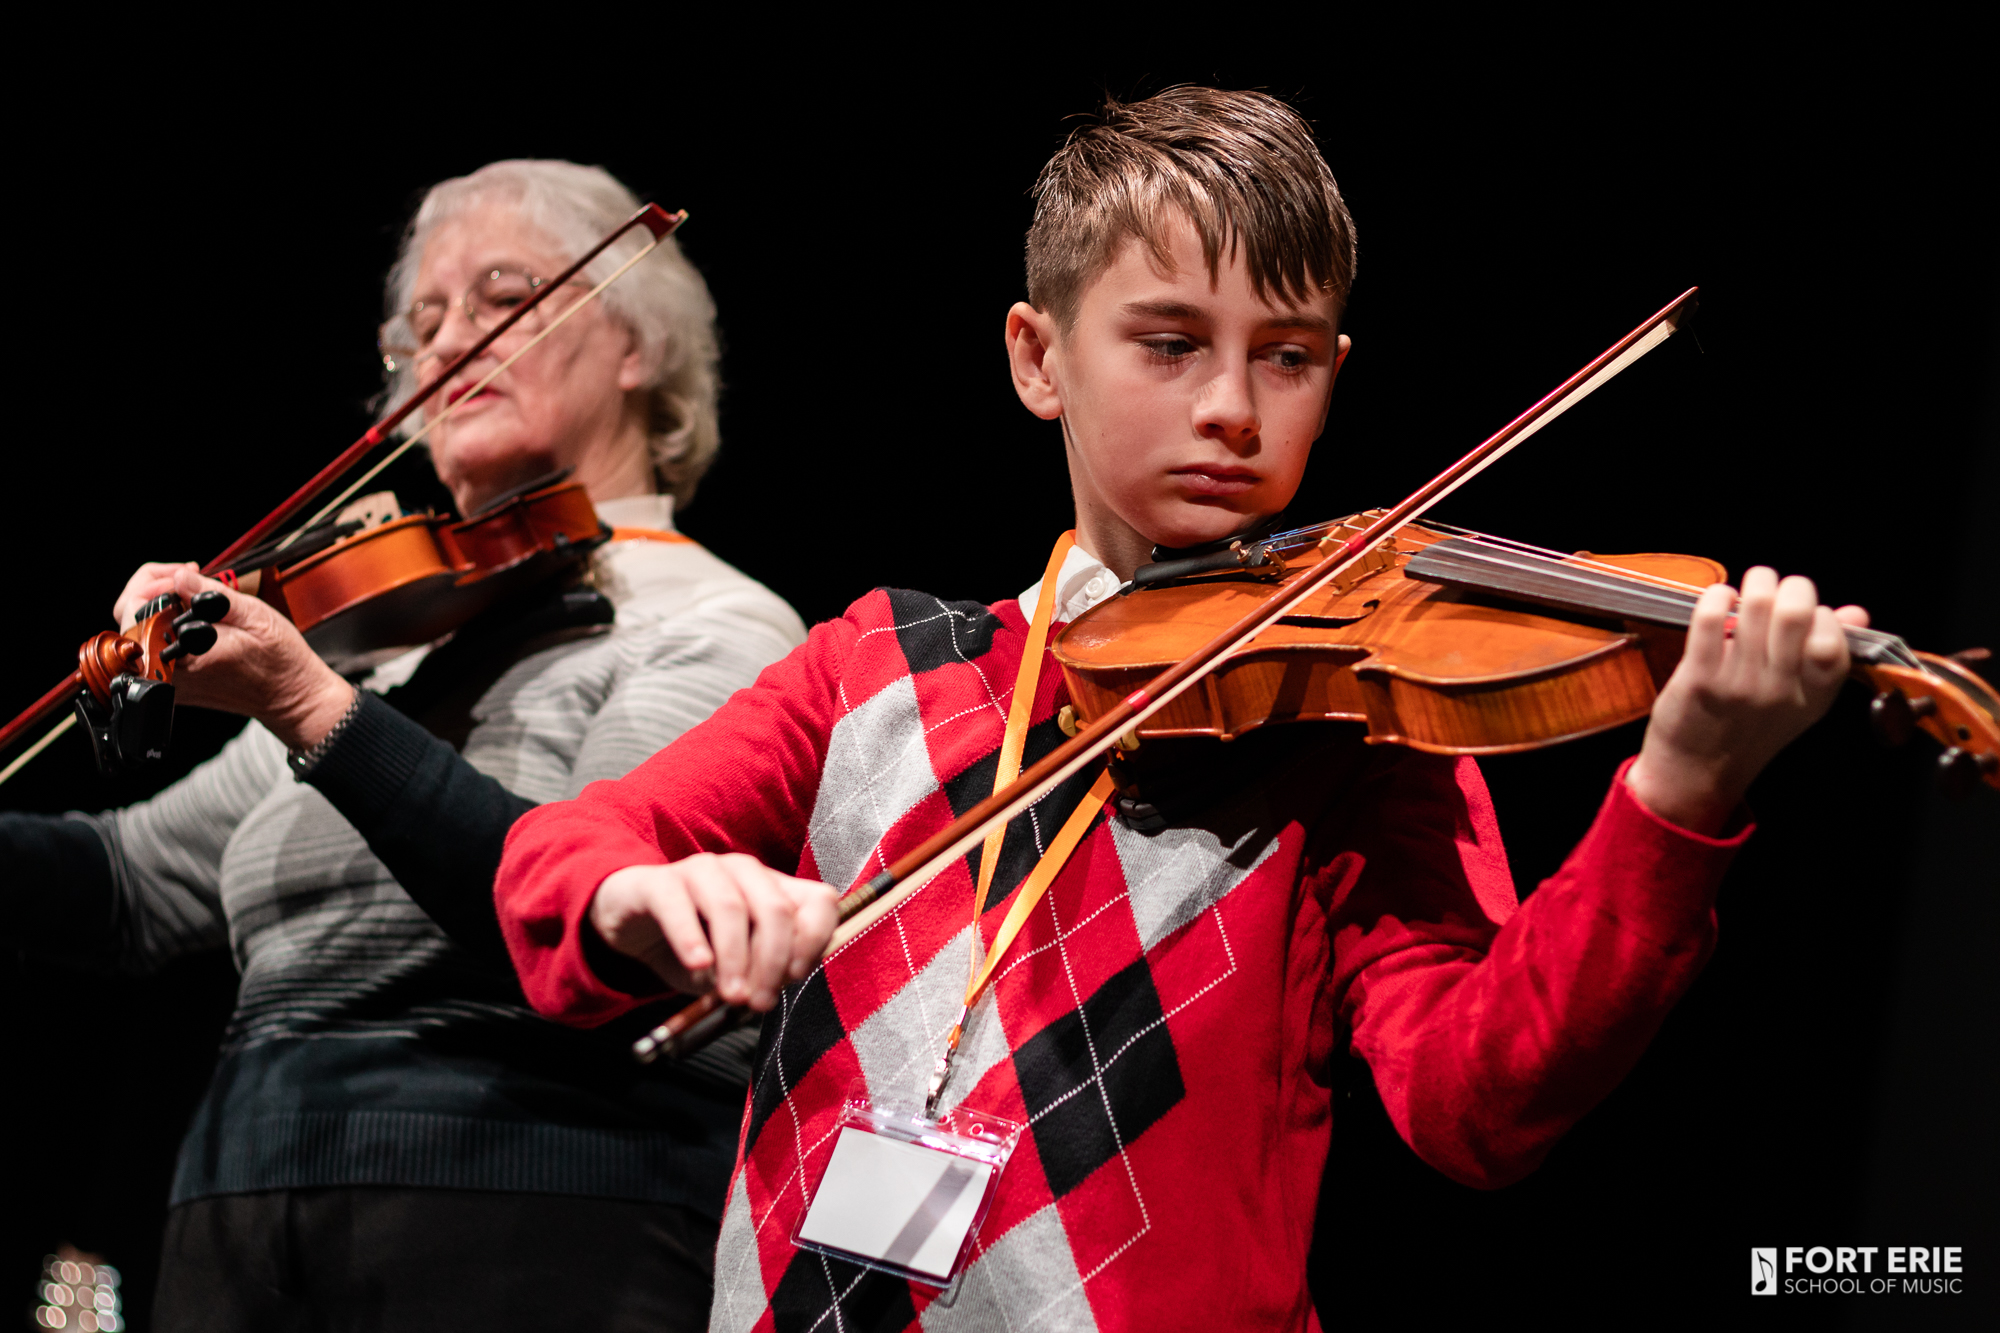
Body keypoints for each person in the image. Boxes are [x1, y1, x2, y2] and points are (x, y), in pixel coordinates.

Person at [490, 90, 1869, 1332]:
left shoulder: (1346, 726)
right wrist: (642, 900)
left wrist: (1677, 796)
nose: (1229, 408)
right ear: (1038, 359)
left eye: (1286, 356)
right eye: (1168, 343)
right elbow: (562, 853)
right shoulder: (886, 661)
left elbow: (1476, 1101)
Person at [1, 160, 806, 1332]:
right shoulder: (386, 653)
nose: (449, 341)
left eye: (500, 295)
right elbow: (123, 886)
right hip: (237, 1210)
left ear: (637, 345)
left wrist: (308, 702)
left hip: (537, 1213)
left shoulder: (715, 623)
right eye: (421, 325)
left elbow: (595, 923)